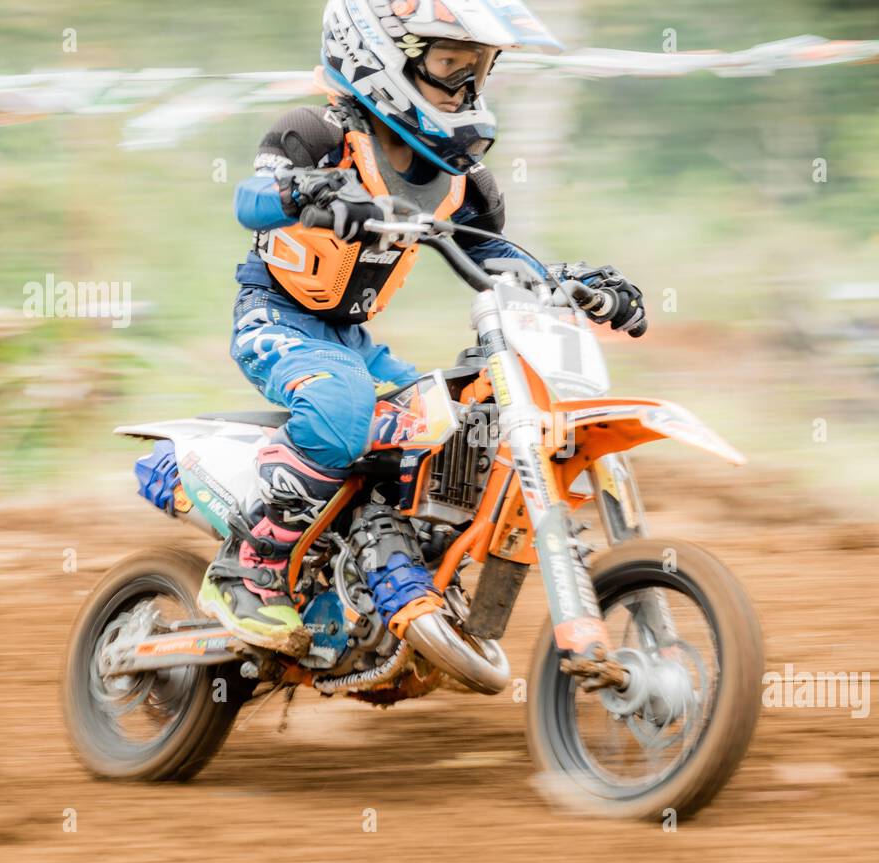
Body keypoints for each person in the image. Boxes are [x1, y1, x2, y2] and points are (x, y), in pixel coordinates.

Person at [198, 0, 648, 660]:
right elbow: (249, 200)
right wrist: (311, 194)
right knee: (343, 408)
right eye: (449, 66)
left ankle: (384, 567)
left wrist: (571, 285)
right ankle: (246, 571)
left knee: (453, 424)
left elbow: (498, 256)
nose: (467, 89)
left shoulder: (463, 181)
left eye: (479, 70)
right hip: (278, 318)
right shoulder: (318, 136)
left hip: (353, 339)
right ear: (381, 55)